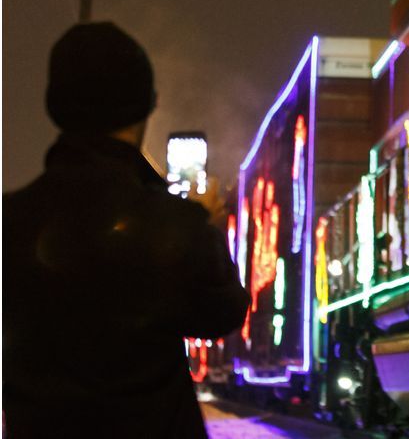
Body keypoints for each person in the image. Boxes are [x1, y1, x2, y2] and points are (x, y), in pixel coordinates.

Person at [3, 22, 250, 438]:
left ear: (53, 105)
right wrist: (205, 226)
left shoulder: (10, 221)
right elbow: (223, 311)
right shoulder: (174, 226)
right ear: (148, 104)